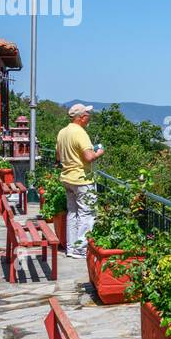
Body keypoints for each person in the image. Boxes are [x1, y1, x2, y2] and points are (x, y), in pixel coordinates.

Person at [55, 104, 105, 259]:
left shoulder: (62, 132)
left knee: (72, 213)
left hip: (67, 177)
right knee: (87, 214)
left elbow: (58, 156)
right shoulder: (80, 133)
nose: (89, 116)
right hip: (82, 179)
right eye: (88, 114)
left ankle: (71, 247)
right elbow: (89, 157)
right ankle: (81, 249)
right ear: (82, 117)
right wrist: (99, 153)